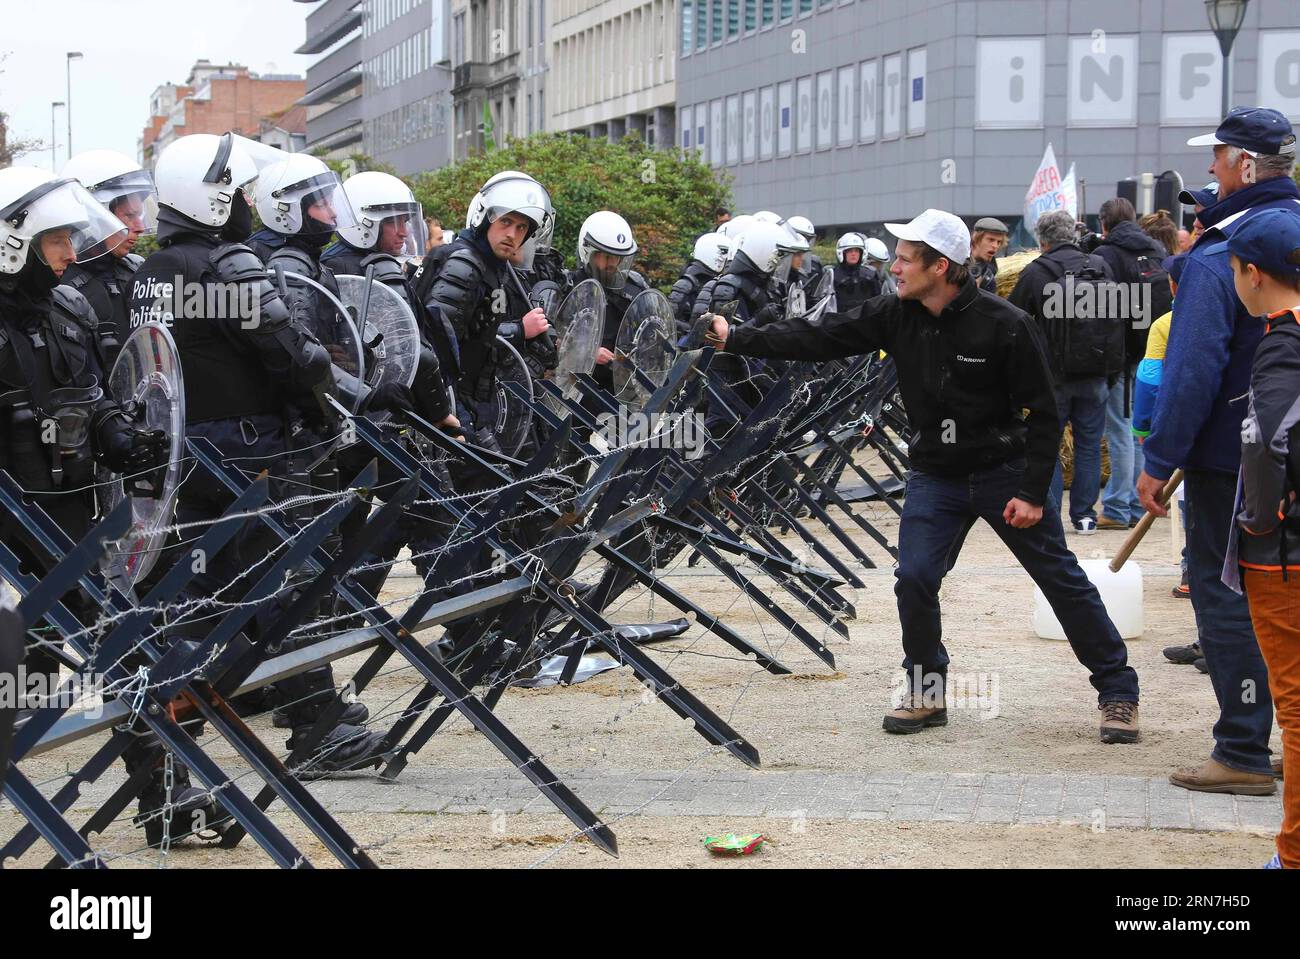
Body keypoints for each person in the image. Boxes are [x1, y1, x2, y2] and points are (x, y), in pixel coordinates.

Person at [705, 209, 1140, 743]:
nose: (894, 268)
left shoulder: (1006, 325)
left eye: (905, 260)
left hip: (1003, 471)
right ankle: (927, 692)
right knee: (914, 578)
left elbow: (1046, 413)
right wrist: (739, 337)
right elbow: (820, 335)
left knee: (1061, 581)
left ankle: (1118, 691)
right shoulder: (894, 314)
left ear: (940, 267)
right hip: (937, 474)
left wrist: (1031, 492)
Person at [128, 133, 392, 782]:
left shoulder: (151, 273)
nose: (248, 202)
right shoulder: (231, 265)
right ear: (213, 197)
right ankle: (314, 725)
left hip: (182, 457)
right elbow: (293, 356)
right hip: (251, 454)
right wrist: (345, 387)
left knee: (193, 594)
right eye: (241, 191)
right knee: (283, 580)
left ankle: (162, 746)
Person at [0, 166, 208, 844]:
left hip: (72, 526)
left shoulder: (71, 309)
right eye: (55, 239)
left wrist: (128, 438)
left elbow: (98, 400)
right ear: (14, 241)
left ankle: (166, 797)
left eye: (66, 237)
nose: (68, 252)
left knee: (130, 645)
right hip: (9, 536)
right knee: (21, 691)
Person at [1138, 106, 1300, 797]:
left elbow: (1194, 364)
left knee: (1228, 590)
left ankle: (1240, 744)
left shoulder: (1223, 251)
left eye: (1219, 156)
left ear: (1242, 164)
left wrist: (1157, 458)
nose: (1210, 168)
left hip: (1232, 459)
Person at [1222, 208, 1300, 867]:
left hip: (1285, 559)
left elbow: (1266, 438)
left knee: (1297, 710)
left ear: (1252, 273)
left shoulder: (1280, 340)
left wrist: (1259, 520)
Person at [422, 171, 552, 452]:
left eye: (521, 228)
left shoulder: (494, 268)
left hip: (475, 403)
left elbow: (485, 333)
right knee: (485, 489)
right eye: (506, 221)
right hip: (449, 408)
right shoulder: (465, 265)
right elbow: (434, 349)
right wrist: (446, 416)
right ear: (484, 217)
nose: (512, 234)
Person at [1008, 209, 1116, 535]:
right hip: (1096, 374)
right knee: (1088, 445)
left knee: (1047, 443)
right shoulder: (1100, 267)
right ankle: (1084, 516)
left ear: (1041, 240)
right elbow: (1120, 315)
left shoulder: (1035, 273)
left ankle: (1049, 511)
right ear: (1072, 234)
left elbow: (1012, 320)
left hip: (1051, 376)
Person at [1089, 198, 1172, 532]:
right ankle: (1140, 506)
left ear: (1104, 224)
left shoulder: (1105, 255)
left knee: (1120, 429)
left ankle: (1117, 507)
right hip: (1154, 349)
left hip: (1120, 354)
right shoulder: (1157, 252)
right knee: (1142, 429)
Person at [58, 150, 159, 367]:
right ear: (94, 216)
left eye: (139, 216)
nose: (140, 227)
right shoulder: (59, 282)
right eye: (129, 216)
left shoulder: (135, 271)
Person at [566, 210, 649, 393]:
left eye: (618, 257)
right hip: (576, 387)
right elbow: (556, 337)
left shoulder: (635, 288)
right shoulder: (570, 286)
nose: (613, 263)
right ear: (588, 251)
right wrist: (588, 353)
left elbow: (651, 329)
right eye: (606, 256)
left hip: (623, 389)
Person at [670, 232, 729, 339]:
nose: (722, 258)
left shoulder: (720, 282)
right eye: (721, 252)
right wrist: (692, 330)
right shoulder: (687, 283)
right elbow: (669, 319)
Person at [831, 232, 881, 313]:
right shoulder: (832, 275)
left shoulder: (870, 275)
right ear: (842, 253)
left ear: (862, 253)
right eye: (850, 251)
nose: (853, 254)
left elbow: (878, 303)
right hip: (839, 321)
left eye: (857, 251)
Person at [970, 216, 1009, 293]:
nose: (995, 246)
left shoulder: (992, 268)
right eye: (991, 240)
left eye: (999, 242)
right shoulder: (959, 264)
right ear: (976, 239)